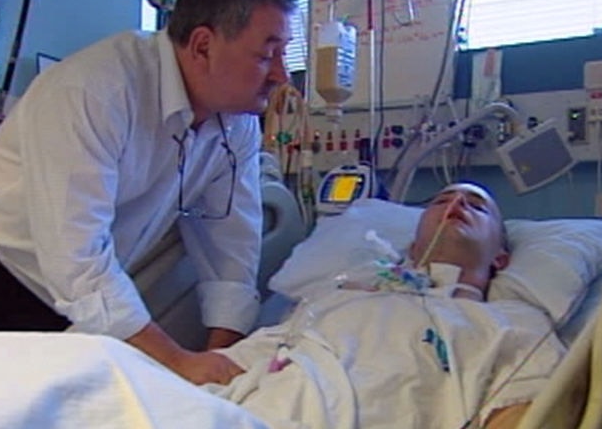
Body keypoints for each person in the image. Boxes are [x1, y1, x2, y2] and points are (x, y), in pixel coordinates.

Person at [0, 0, 295, 385]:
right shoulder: (95, 91)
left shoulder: (236, 123)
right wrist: (177, 363)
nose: (281, 75)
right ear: (203, 45)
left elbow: (231, 247)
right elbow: (77, 260)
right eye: (267, 55)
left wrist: (219, 362)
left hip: (68, 296)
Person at [204, 182, 566, 429]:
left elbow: (529, 413)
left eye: (476, 207)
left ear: (501, 258)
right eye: (441, 201)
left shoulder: (516, 324)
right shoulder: (338, 296)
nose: (455, 205)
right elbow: (239, 362)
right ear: (411, 249)